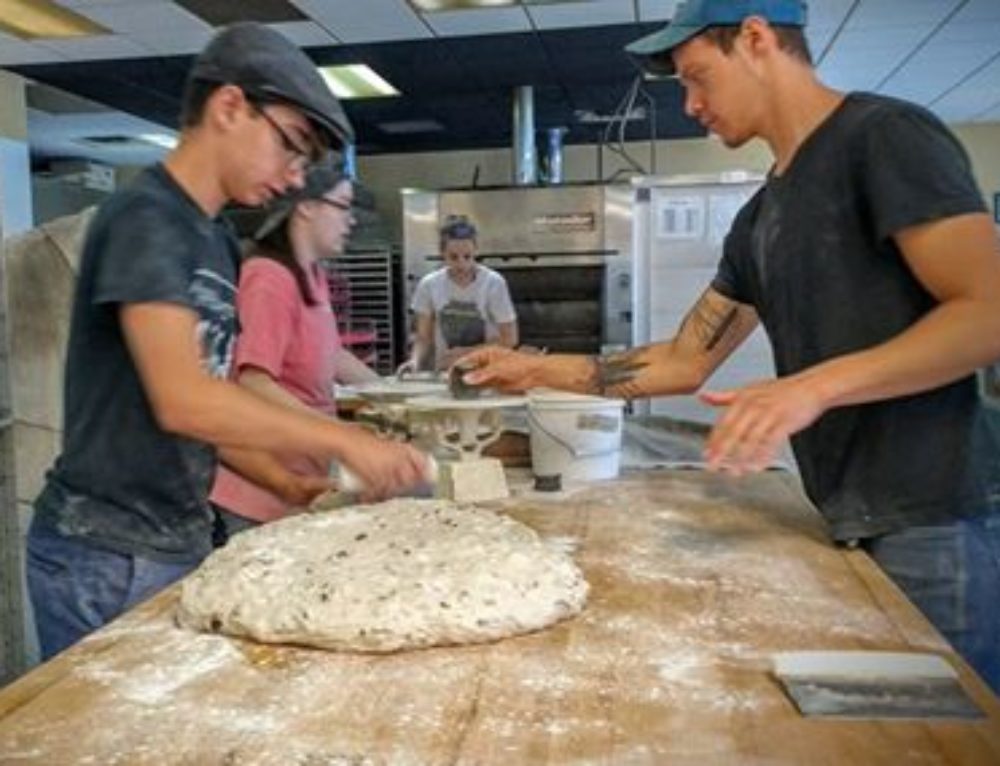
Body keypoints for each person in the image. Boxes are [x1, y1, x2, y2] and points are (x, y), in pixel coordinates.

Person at [457, 0, 1000, 692]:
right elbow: (686, 359)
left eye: (697, 77)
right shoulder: (761, 217)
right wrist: (530, 371)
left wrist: (812, 387)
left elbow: (986, 312)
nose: (690, 104)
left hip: (936, 523)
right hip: (846, 514)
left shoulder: (885, 138)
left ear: (755, 38)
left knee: (948, 735)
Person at [26, 22, 429, 660]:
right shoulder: (145, 219)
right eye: (290, 145)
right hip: (103, 551)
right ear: (230, 106)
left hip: (175, 537)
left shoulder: (211, 238)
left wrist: (284, 483)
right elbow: (183, 400)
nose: (293, 178)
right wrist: (343, 439)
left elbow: (211, 414)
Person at [209, 158, 380, 541]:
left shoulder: (311, 275)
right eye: (343, 206)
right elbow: (253, 381)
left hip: (302, 478)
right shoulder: (268, 278)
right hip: (259, 492)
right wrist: (338, 435)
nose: (350, 220)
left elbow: (333, 355)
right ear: (307, 207)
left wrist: (400, 397)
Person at [401, 215, 517, 373]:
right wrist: (414, 362)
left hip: (488, 371)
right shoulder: (429, 285)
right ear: (442, 253)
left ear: (476, 251)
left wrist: (465, 353)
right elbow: (423, 337)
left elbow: (510, 339)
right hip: (446, 372)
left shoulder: (493, 283)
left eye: (467, 256)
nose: (462, 264)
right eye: (454, 257)